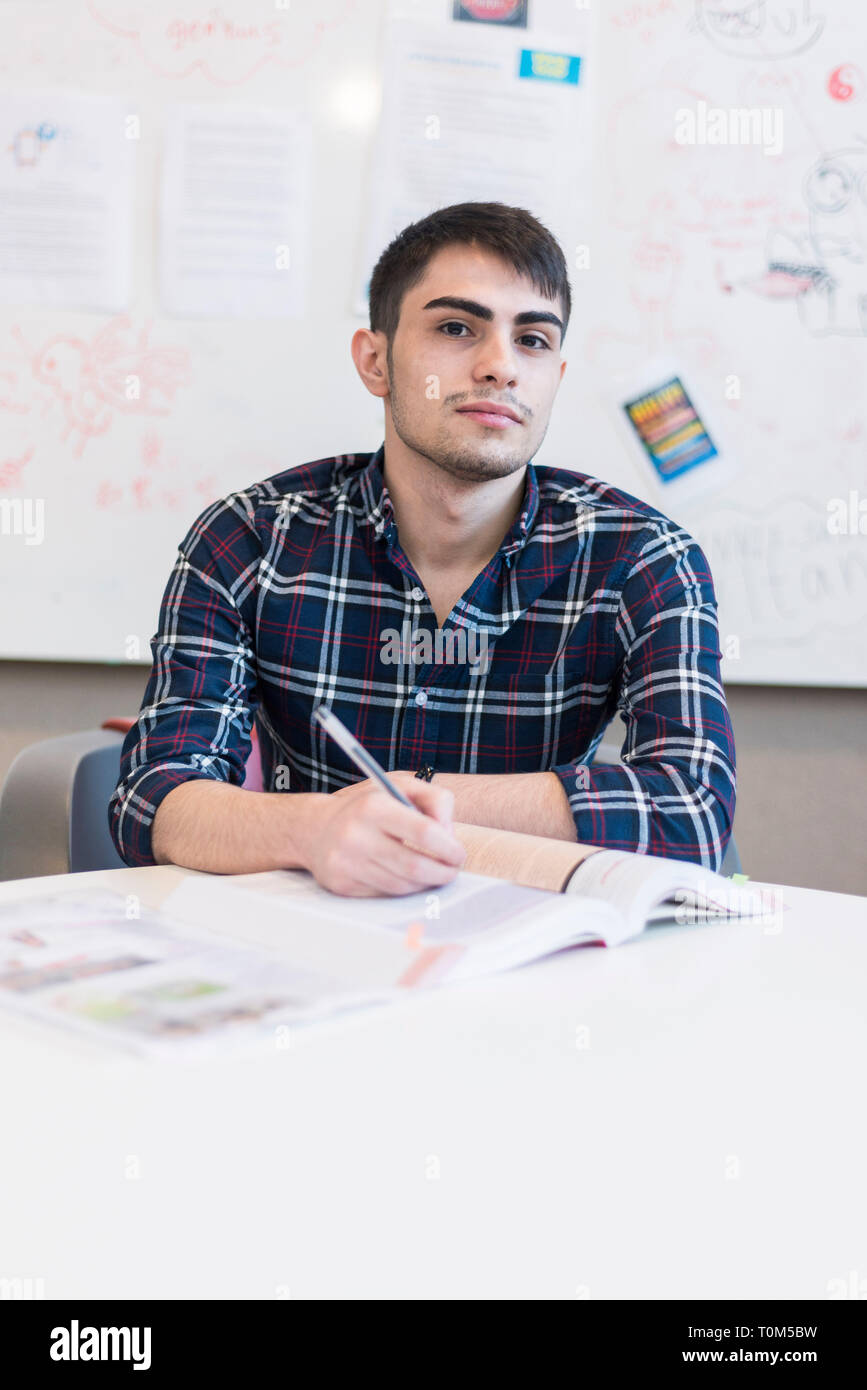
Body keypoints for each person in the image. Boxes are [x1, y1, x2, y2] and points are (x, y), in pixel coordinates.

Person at [109, 202, 736, 895]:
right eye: (455, 327)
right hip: (308, 931)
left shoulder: (643, 558)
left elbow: (692, 813)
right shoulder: (247, 539)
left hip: (536, 948)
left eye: (531, 340)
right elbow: (156, 799)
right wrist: (313, 829)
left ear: (555, 379)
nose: (499, 365)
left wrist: (413, 798)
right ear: (375, 361)